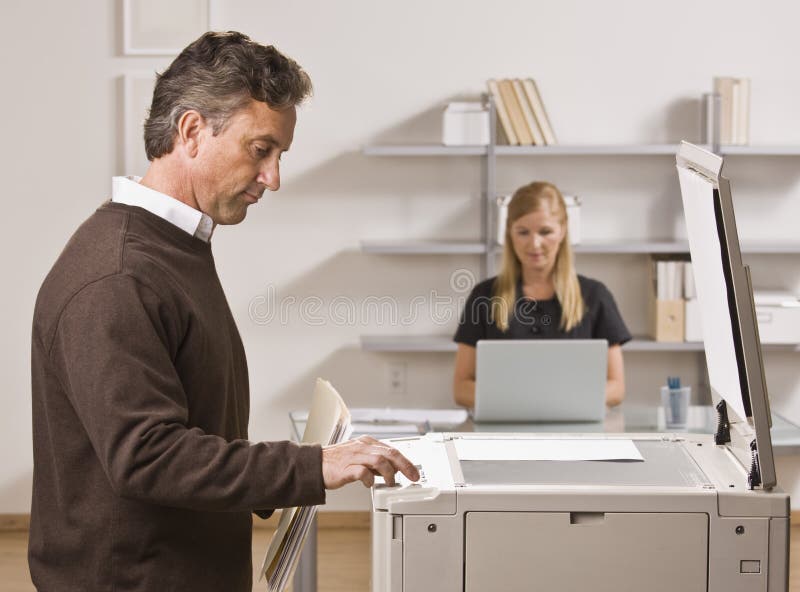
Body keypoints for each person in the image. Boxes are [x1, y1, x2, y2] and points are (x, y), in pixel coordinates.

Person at [29, 31, 418, 592]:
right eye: (260, 149)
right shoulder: (118, 277)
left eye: (280, 155)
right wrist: (312, 467)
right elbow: (146, 455)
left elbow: (196, 421)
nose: (273, 178)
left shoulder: (172, 247)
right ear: (191, 131)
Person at [453, 181, 632, 409]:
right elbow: (461, 388)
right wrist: (526, 403)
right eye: (523, 232)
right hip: (506, 426)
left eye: (545, 232)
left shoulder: (595, 296)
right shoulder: (485, 296)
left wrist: (558, 402)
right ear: (509, 232)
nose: (534, 244)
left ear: (563, 230)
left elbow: (616, 387)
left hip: (573, 426)